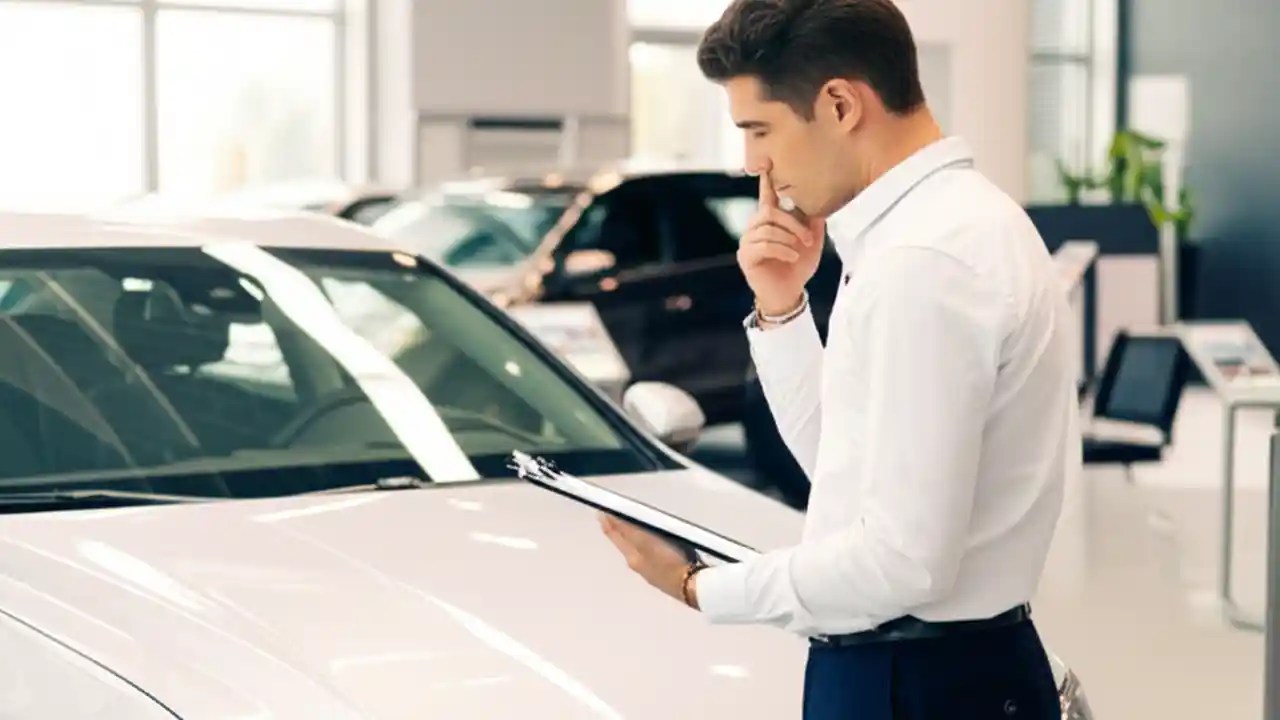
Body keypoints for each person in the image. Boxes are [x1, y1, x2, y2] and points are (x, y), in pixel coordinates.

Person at [598, 0, 1082, 718]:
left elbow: (902, 562)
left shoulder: (924, 258)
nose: (751, 163)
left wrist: (701, 586)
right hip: (945, 670)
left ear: (839, 104)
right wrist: (782, 309)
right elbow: (846, 465)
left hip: (916, 680)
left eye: (759, 129)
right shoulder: (944, 227)